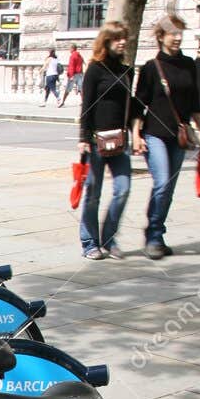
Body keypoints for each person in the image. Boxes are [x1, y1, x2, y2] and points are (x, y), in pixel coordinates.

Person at [132, 13, 200, 260]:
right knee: (162, 183)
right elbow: (138, 105)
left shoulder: (188, 64)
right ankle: (154, 235)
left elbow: (195, 101)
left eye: (180, 33)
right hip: (154, 133)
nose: (177, 38)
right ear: (161, 36)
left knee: (169, 189)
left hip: (179, 136)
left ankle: (157, 233)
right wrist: (135, 134)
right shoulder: (150, 67)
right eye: (172, 33)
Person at [77, 21, 139, 261]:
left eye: (123, 38)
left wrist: (136, 134)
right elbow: (87, 106)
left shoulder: (127, 71)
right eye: (116, 38)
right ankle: (89, 242)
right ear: (106, 42)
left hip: (119, 140)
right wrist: (83, 137)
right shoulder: (95, 69)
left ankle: (109, 239)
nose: (121, 42)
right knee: (93, 193)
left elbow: (130, 106)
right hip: (95, 141)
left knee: (123, 190)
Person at [59, 42, 84, 106]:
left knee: (68, 89)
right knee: (81, 89)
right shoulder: (80, 56)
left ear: (73, 48)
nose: (69, 50)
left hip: (74, 75)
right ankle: (83, 101)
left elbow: (71, 66)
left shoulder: (72, 56)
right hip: (80, 74)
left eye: (70, 48)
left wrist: (71, 75)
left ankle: (63, 101)